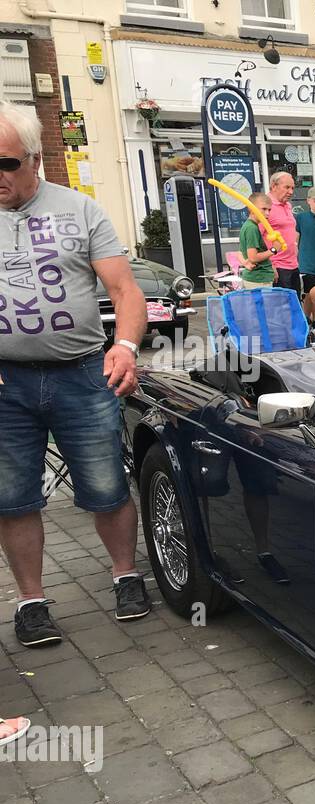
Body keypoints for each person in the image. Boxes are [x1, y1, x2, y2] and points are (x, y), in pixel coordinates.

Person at [0, 100, 150, 649]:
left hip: (82, 374)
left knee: (107, 485)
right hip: (6, 383)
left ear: (36, 160)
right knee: (12, 496)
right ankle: (32, 601)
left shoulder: (80, 210)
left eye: (7, 165)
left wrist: (127, 345)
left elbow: (124, 290)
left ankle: (125, 575)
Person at [267, 170, 300, 294]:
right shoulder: (266, 206)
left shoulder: (287, 205)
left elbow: (290, 229)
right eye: (287, 187)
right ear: (274, 186)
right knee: (282, 309)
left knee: (295, 305)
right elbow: (258, 238)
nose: (291, 192)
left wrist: (295, 246)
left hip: (293, 264)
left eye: (292, 188)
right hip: (278, 267)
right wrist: (270, 265)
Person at [237, 192, 275, 288]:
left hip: (257, 277)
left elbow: (240, 252)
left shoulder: (250, 226)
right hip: (258, 279)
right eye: (264, 209)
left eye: (269, 210)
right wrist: (274, 250)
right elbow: (253, 257)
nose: (267, 213)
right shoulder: (251, 228)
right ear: (251, 208)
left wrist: (245, 263)